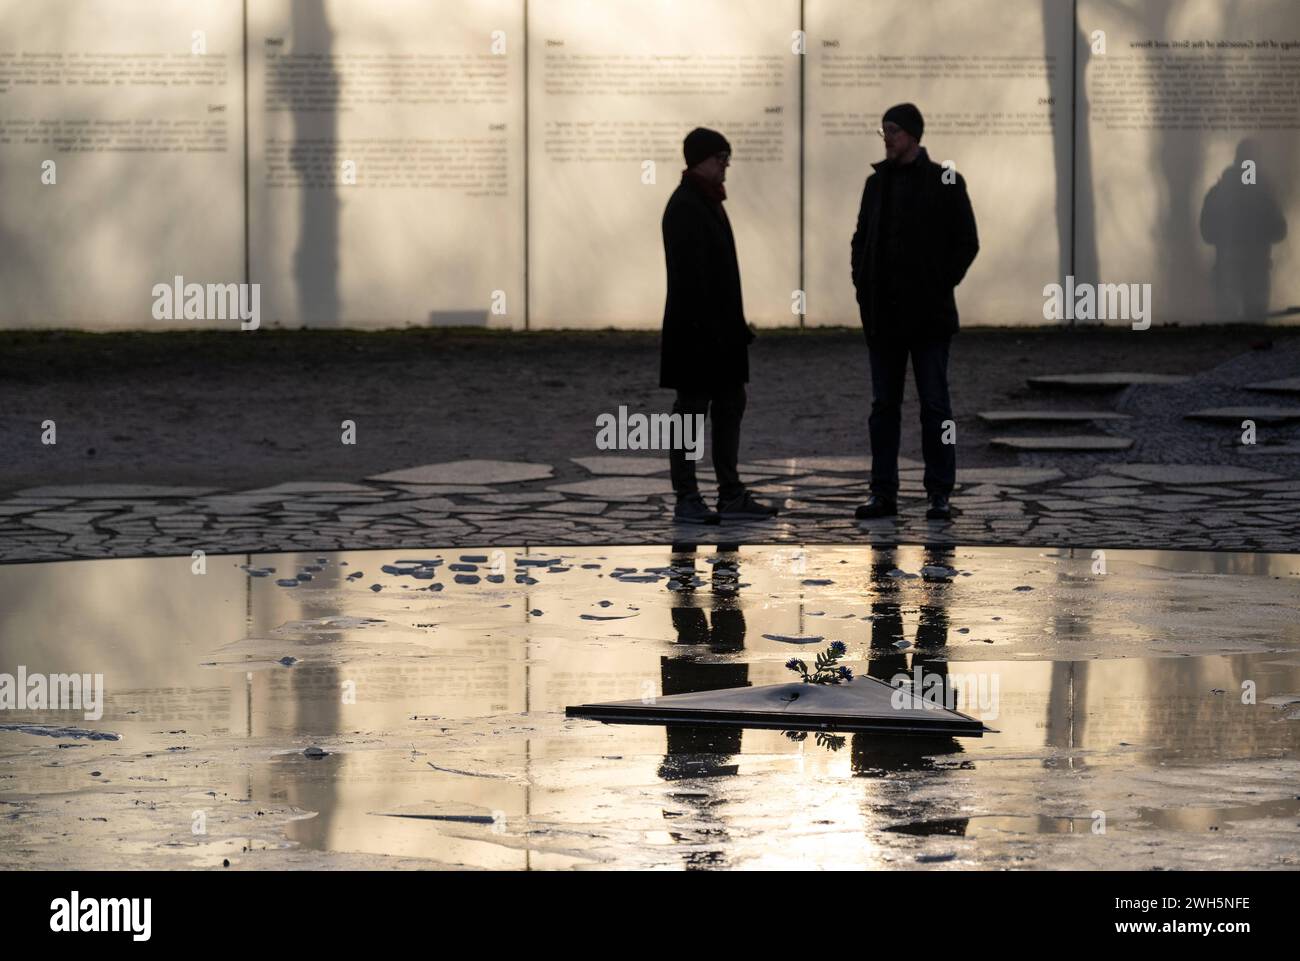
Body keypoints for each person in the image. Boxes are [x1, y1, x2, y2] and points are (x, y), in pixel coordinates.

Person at [850, 103, 978, 521]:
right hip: (883, 318)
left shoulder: (945, 180)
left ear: (913, 135)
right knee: (883, 407)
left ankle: (940, 492)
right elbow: (860, 241)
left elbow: (966, 242)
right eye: (883, 129)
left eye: (894, 129)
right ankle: (882, 492)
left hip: (928, 319)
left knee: (935, 406)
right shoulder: (876, 184)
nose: (887, 137)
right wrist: (863, 290)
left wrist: (936, 286)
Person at [660, 126, 779, 525]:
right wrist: (717, 329)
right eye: (720, 157)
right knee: (690, 414)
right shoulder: (686, 206)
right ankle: (687, 497)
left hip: (720, 335)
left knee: (730, 405)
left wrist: (733, 328)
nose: (726, 164)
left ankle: (730, 492)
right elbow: (692, 281)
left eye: (727, 157)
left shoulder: (707, 202)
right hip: (696, 336)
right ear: (700, 160)